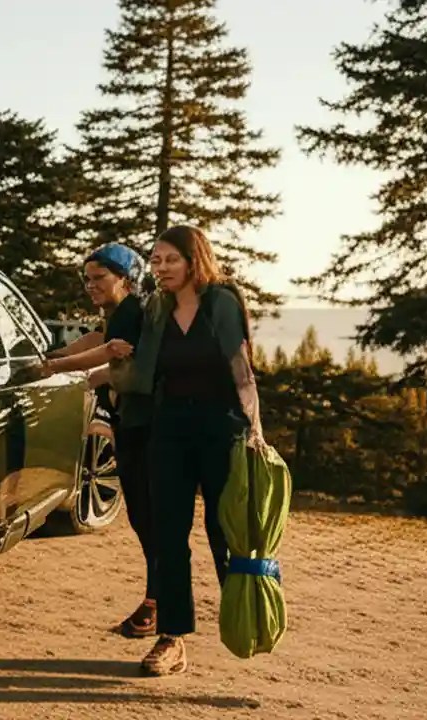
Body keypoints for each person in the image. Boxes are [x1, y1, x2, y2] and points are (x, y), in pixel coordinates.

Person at [116, 225, 264, 677]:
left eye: (169, 260)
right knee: (168, 536)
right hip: (170, 429)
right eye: (155, 261)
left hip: (221, 428)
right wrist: (108, 365)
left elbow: (241, 369)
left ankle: (246, 618)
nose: (160, 269)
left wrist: (256, 430)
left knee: (226, 530)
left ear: (193, 258)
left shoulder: (220, 301)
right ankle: (173, 637)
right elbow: (142, 372)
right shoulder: (157, 308)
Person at [40, 243, 159, 638]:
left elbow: (107, 356)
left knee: (149, 519)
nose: (90, 286)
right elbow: (95, 341)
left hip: (146, 428)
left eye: (99, 278)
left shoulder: (131, 313)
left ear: (124, 279)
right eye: (87, 279)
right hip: (131, 425)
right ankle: (155, 601)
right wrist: (46, 356)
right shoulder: (116, 314)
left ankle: (157, 603)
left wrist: (53, 366)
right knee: (144, 519)